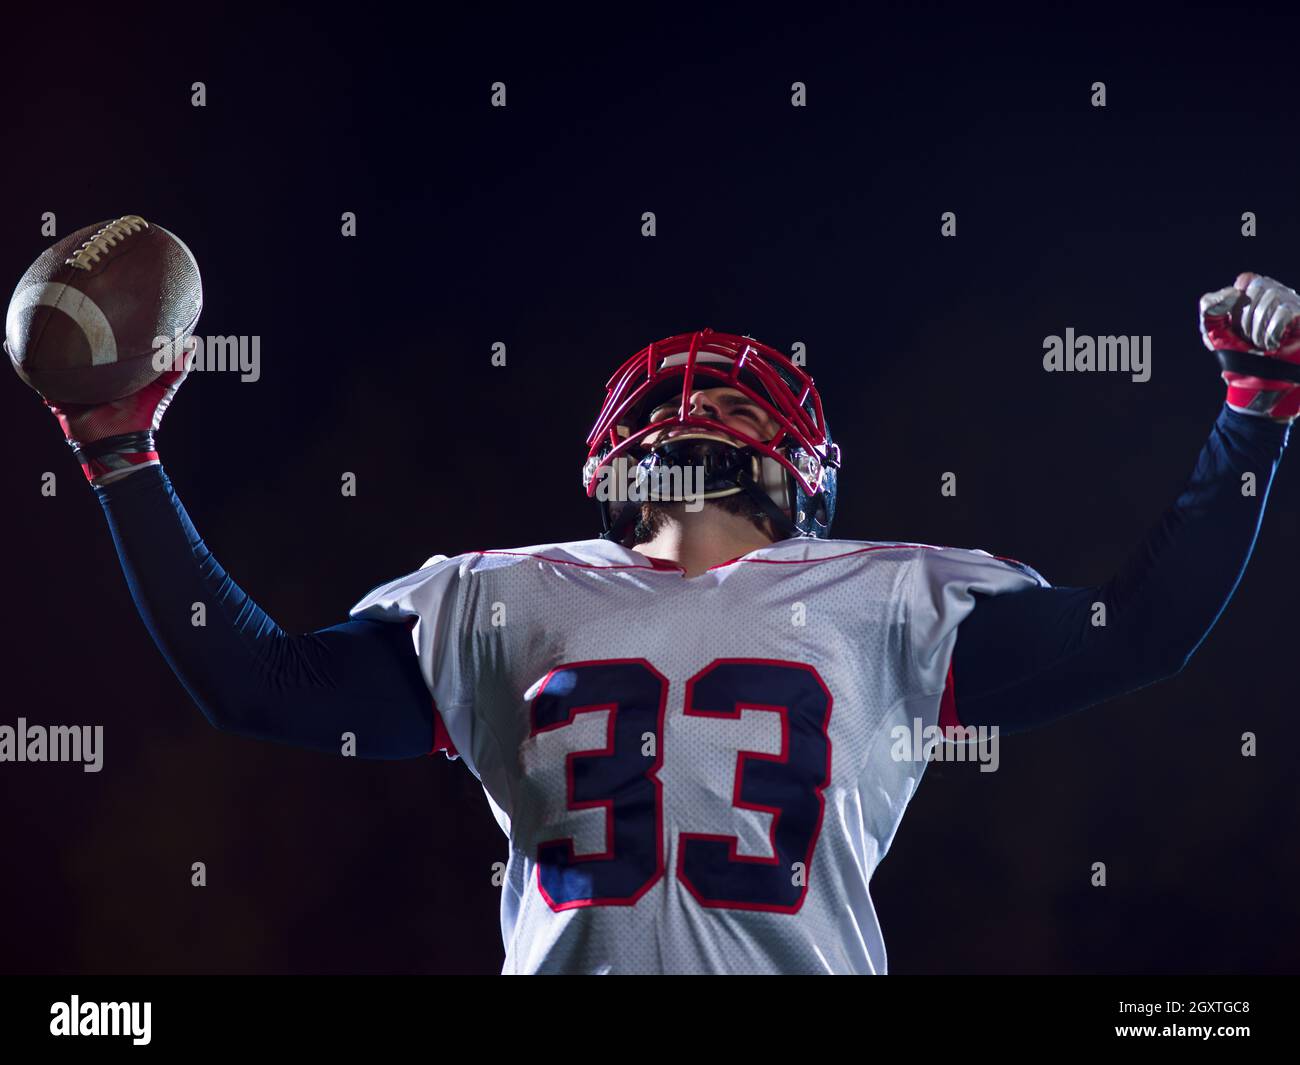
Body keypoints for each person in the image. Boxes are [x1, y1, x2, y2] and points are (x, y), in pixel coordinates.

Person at [36, 274, 1299, 974]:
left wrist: (1253, 412)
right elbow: (255, 688)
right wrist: (120, 456)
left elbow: (1142, 634)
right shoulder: (508, 595)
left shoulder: (878, 598)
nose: (710, 417)